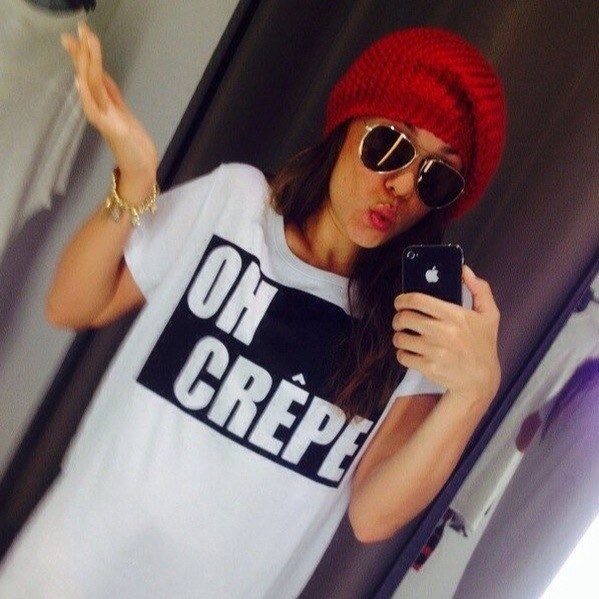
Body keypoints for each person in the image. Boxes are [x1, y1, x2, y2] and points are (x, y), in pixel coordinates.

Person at [0, 23, 506, 598]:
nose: (401, 186)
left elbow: (374, 517)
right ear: (347, 126)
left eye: (435, 177)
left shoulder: (415, 319)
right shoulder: (234, 203)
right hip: (63, 573)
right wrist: (135, 181)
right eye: (389, 145)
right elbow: (71, 305)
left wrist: (475, 391)